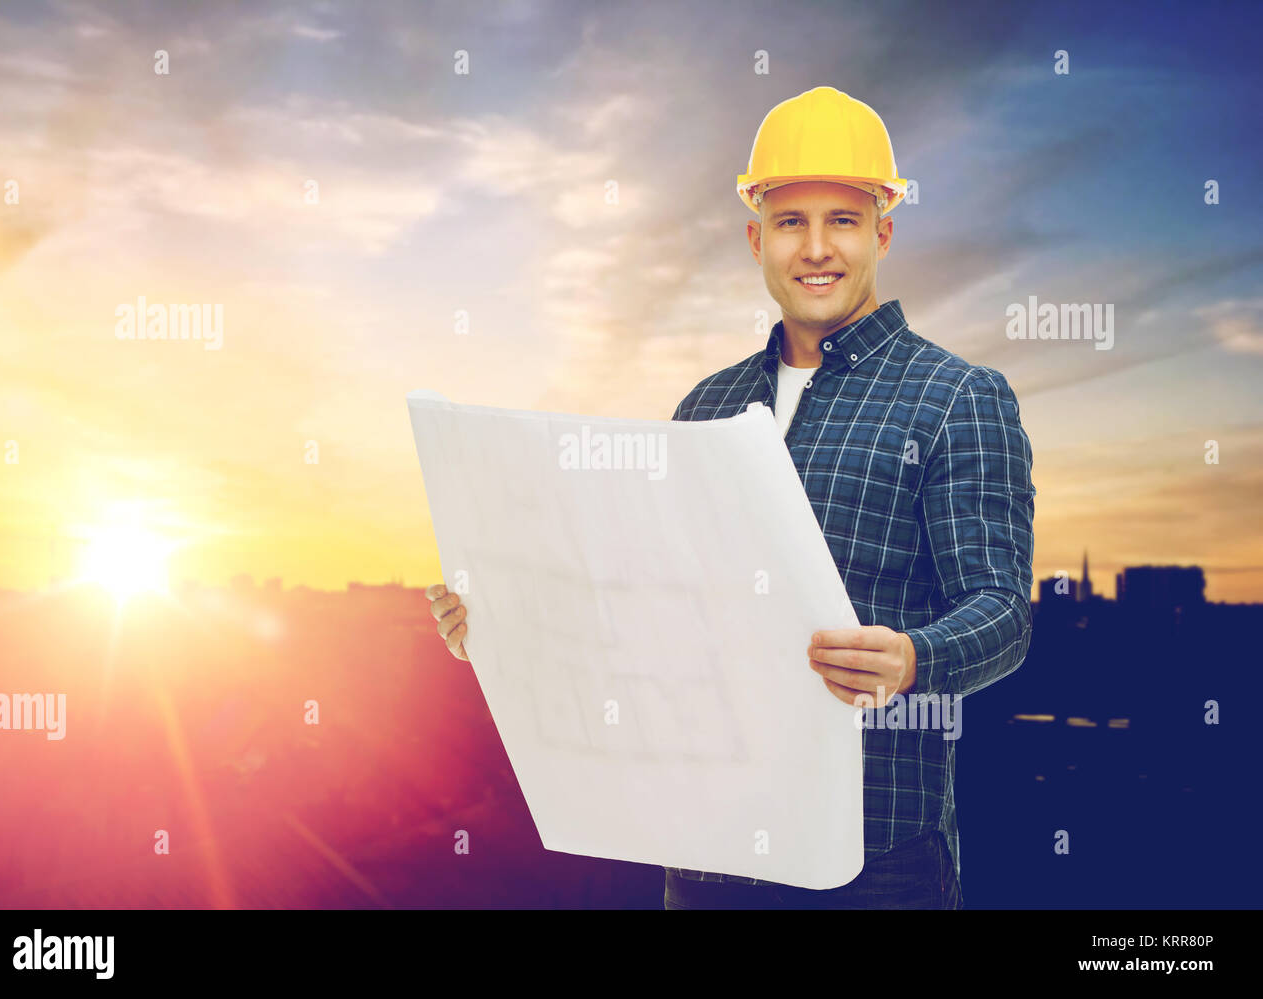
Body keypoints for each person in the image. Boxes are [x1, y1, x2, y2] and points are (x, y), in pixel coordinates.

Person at [428, 85, 1035, 910]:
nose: (816, 248)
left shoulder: (957, 397)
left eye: (843, 220)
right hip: (707, 852)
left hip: (874, 855)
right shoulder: (706, 406)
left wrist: (914, 658)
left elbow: (1002, 610)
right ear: (756, 239)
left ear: (883, 231)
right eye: (791, 222)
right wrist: (500, 624)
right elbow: (644, 609)